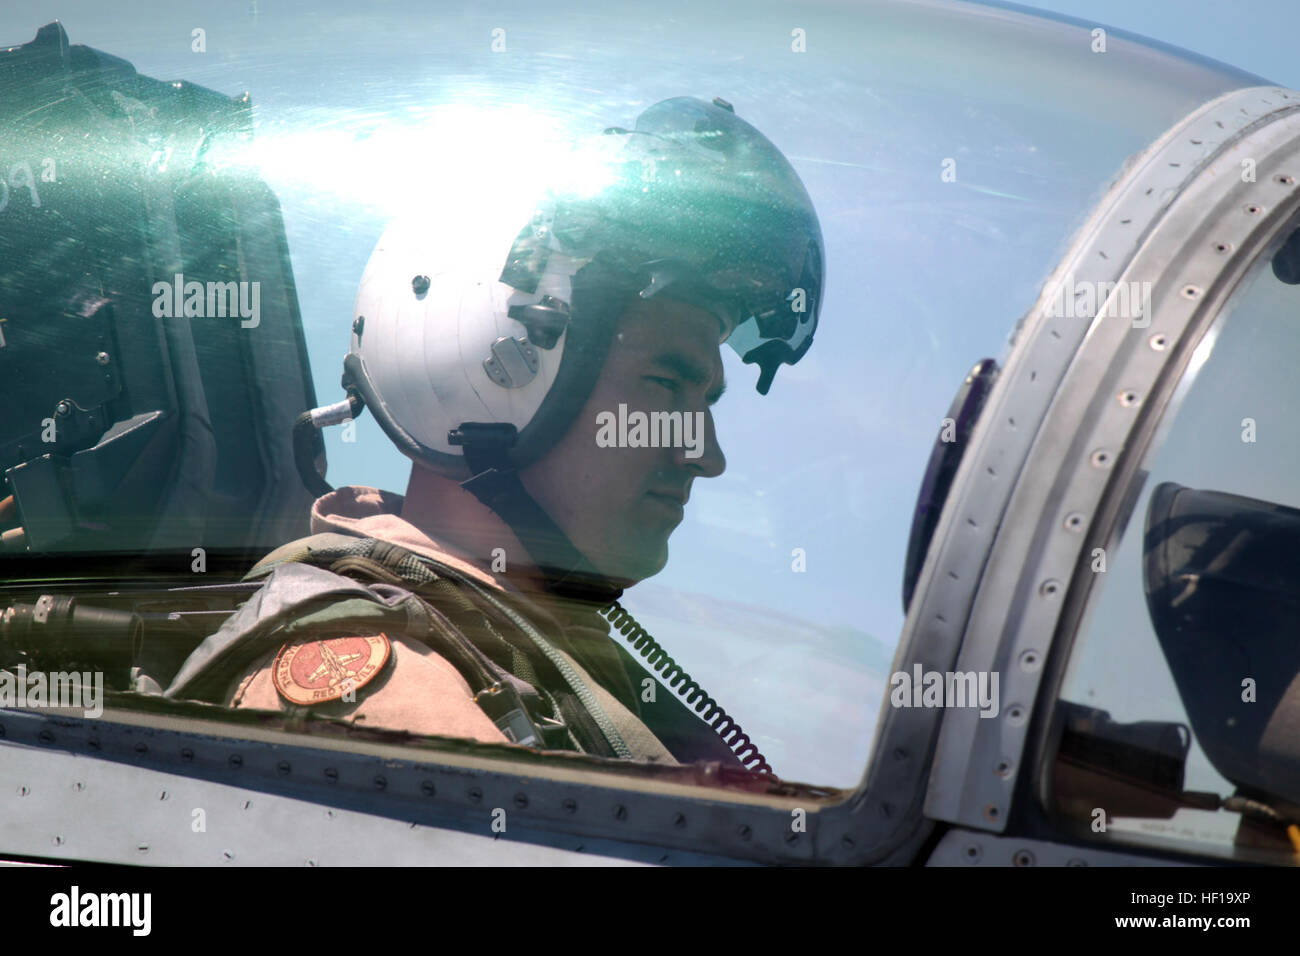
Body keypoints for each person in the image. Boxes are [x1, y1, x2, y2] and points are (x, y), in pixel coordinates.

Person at [164, 96, 824, 776]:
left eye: (707, 401)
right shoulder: (391, 710)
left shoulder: (538, 666)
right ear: (496, 364)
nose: (706, 455)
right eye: (666, 385)